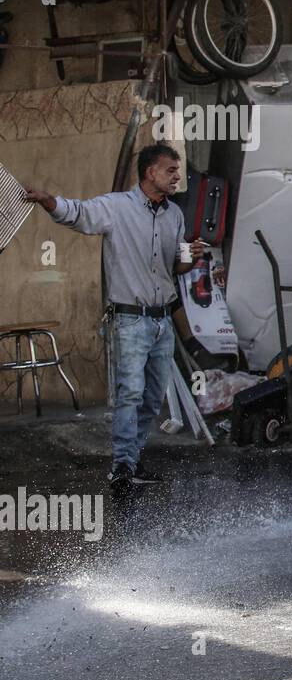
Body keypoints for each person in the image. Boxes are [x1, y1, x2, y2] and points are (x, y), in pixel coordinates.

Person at [24, 144, 203, 495]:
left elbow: (176, 267)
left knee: (152, 397)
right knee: (130, 394)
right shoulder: (117, 207)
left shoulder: (175, 215)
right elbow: (76, 213)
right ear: (151, 172)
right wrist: (47, 200)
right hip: (130, 320)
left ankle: (131, 461)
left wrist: (192, 258)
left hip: (162, 321)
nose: (176, 177)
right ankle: (122, 465)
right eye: (171, 170)